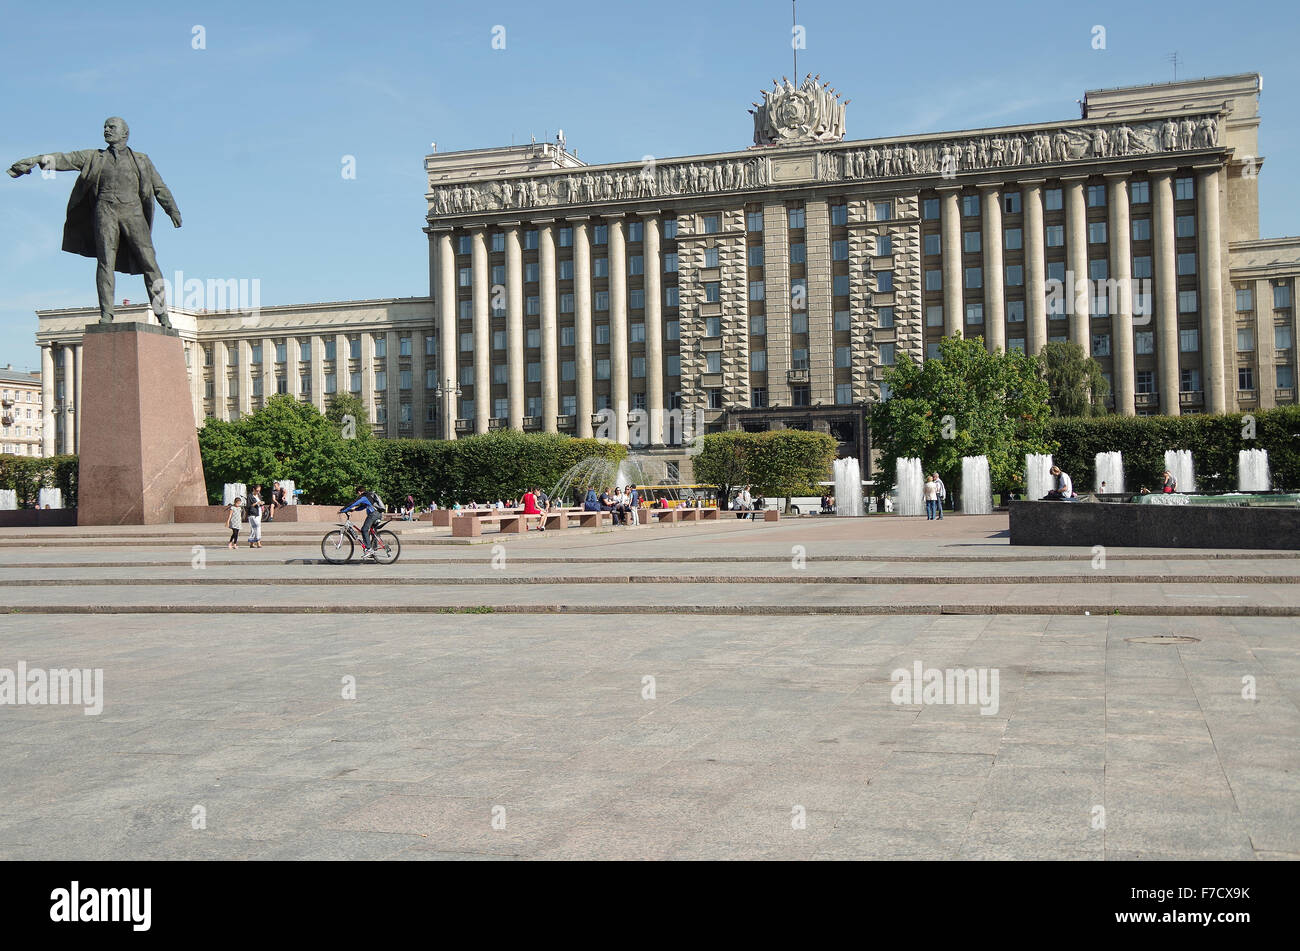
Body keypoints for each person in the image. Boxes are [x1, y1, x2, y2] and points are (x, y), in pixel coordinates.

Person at [340, 486, 382, 560]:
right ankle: (373, 550)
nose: (358, 495)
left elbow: (353, 503)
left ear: (359, 492)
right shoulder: (368, 496)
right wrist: (355, 509)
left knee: (364, 529)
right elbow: (363, 507)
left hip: (373, 514)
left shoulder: (364, 496)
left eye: (357, 494)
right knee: (372, 532)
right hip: (378, 514)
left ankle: (368, 549)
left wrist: (343, 510)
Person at [247, 484, 265, 549]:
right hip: (252, 514)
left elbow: (260, 503)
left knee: (253, 528)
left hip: (258, 513)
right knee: (257, 526)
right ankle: (258, 542)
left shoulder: (258, 495)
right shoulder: (250, 496)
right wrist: (257, 503)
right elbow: (248, 506)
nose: (258, 492)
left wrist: (261, 504)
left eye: (259, 491)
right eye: (257, 491)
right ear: (253, 489)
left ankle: (251, 543)